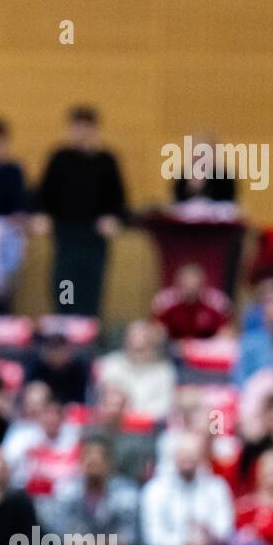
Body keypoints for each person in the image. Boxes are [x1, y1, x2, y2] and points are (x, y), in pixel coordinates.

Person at [33, 105, 127, 317]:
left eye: (86, 127)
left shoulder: (106, 161)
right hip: (66, 232)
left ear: (94, 129)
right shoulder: (60, 158)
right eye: (76, 127)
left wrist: (113, 219)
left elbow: (119, 200)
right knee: (66, 280)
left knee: (91, 282)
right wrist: (42, 216)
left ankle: (88, 325)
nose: (81, 132)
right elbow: (44, 194)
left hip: (94, 235)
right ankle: (65, 319)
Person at [95, 320, 176, 421]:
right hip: (113, 425)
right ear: (126, 342)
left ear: (153, 345)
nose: (138, 350)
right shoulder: (110, 364)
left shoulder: (164, 370)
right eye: (134, 344)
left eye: (144, 346)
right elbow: (104, 401)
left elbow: (164, 408)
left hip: (150, 430)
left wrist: (135, 415)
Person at [151, 262, 231, 340]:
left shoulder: (216, 302)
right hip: (173, 347)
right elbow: (156, 332)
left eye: (194, 283)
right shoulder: (165, 301)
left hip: (208, 349)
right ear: (178, 283)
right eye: (186, 284)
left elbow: (227, 334)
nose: (190, 287)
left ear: (203, 284)